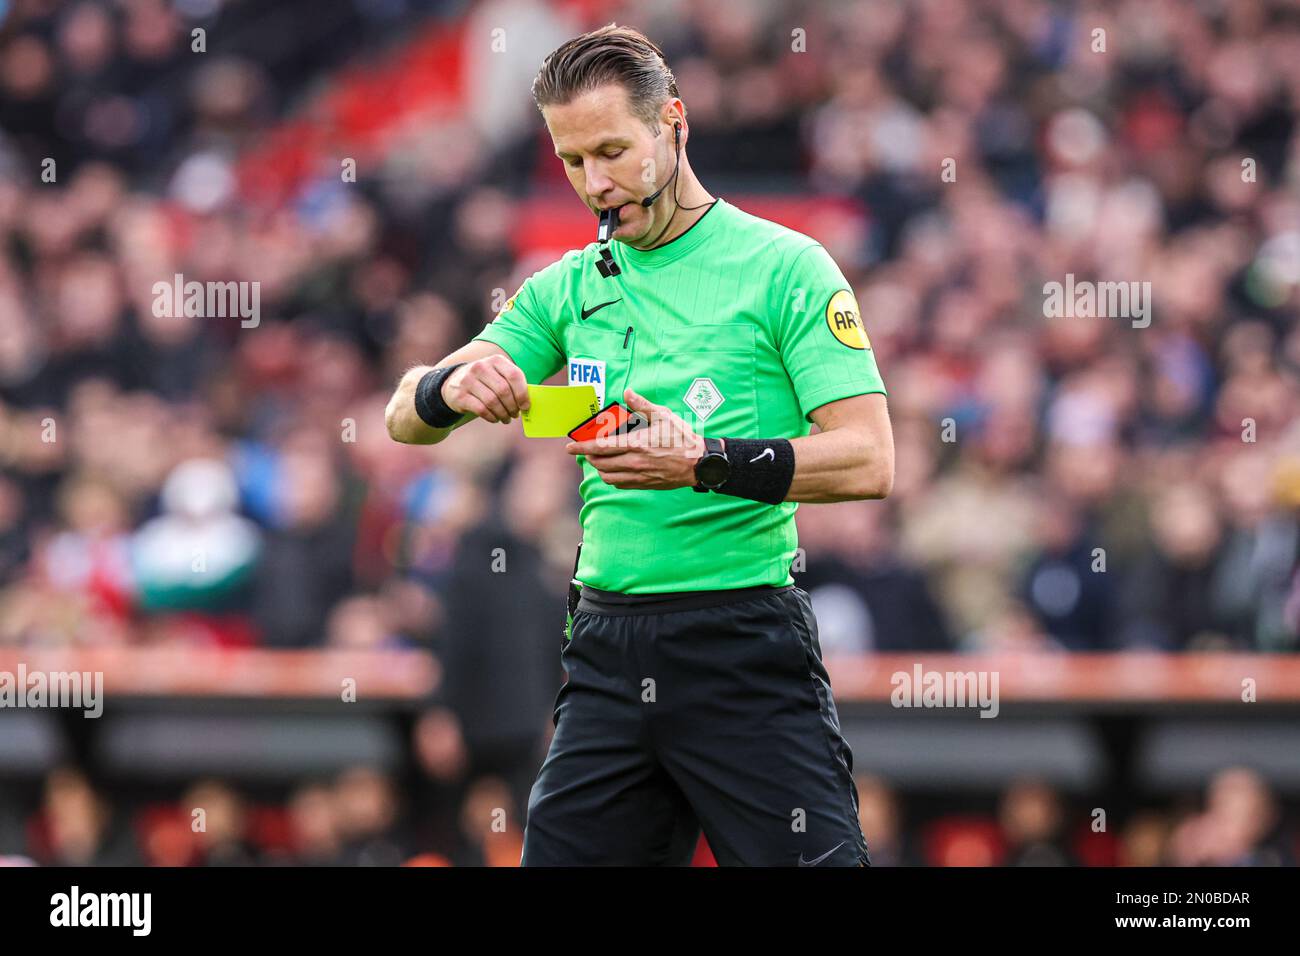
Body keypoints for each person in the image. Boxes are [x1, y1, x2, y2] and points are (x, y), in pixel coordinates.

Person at [385, 24, 893, 866]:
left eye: (614, 151)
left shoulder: (785, 268)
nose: (596, 182)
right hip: (605, 655)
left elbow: (870, 458)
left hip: (742, 645)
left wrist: (706, 461)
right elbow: (406, 412)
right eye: (573, 161)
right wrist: (449, 387)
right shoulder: (565, 288)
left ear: (674, 125)